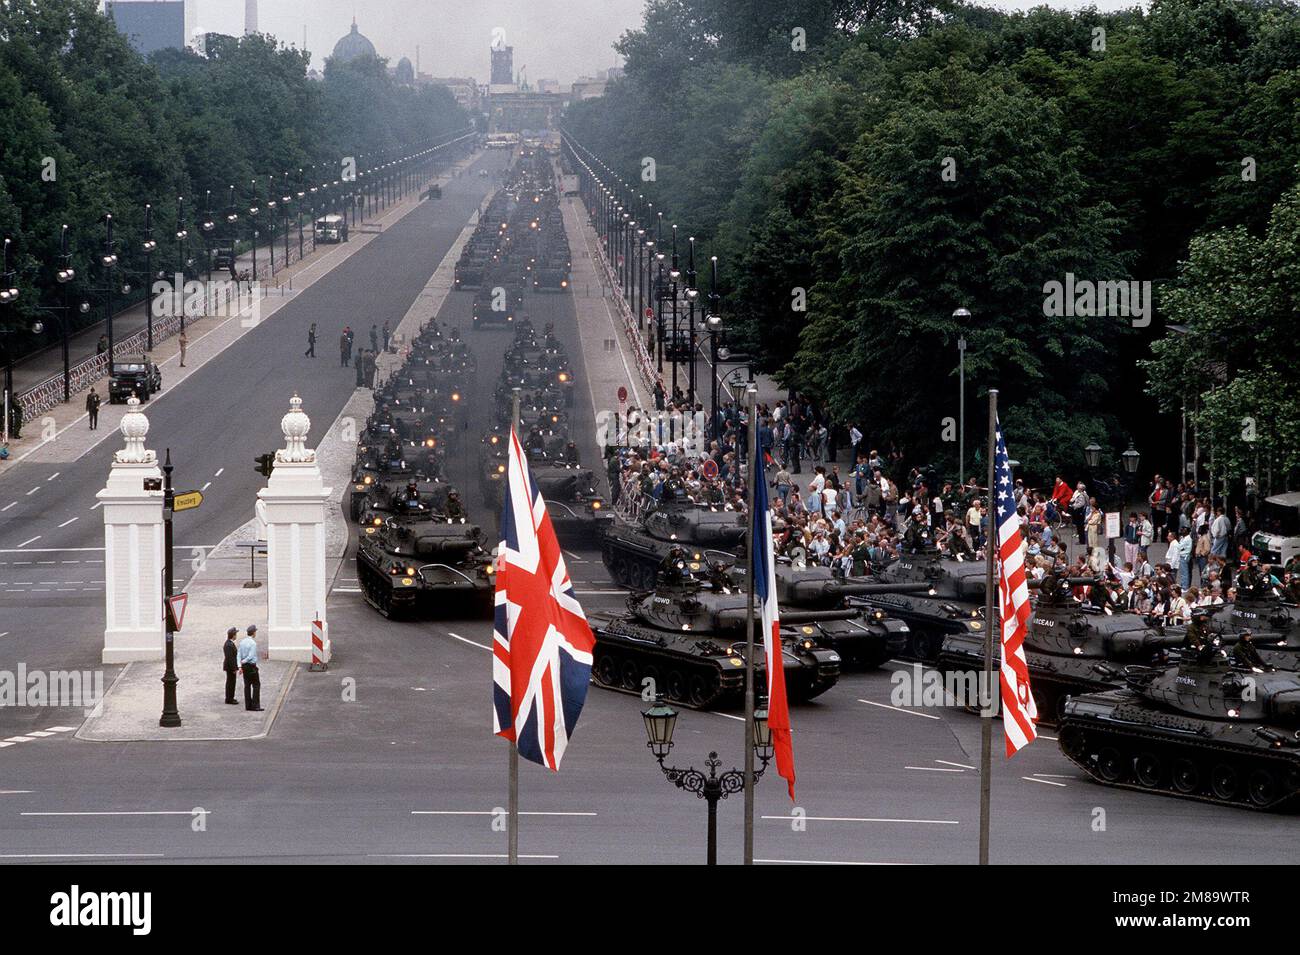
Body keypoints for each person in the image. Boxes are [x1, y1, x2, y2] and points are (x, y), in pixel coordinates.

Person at [239, 624, 263, 711]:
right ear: (253, 633)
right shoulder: (253, 643)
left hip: (245, 667)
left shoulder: (242, 642)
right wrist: (244, 661)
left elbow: (239, 655)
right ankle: (255, 705)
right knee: (256, 685)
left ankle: (248, 705)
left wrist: (240, 665)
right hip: (251, 666)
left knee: (247, 685)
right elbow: (251, 656)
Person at [222, 627, 239, 705]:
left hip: (230, 666)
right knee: (230, 683)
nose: (236, 636)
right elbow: (230, 658)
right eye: (236, 634)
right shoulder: (229, 645)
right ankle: (229, 698)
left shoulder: (230, 643)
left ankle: (230, 697)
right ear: (233, 635)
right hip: (230, 667)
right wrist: (234, 668)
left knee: (231, 682)